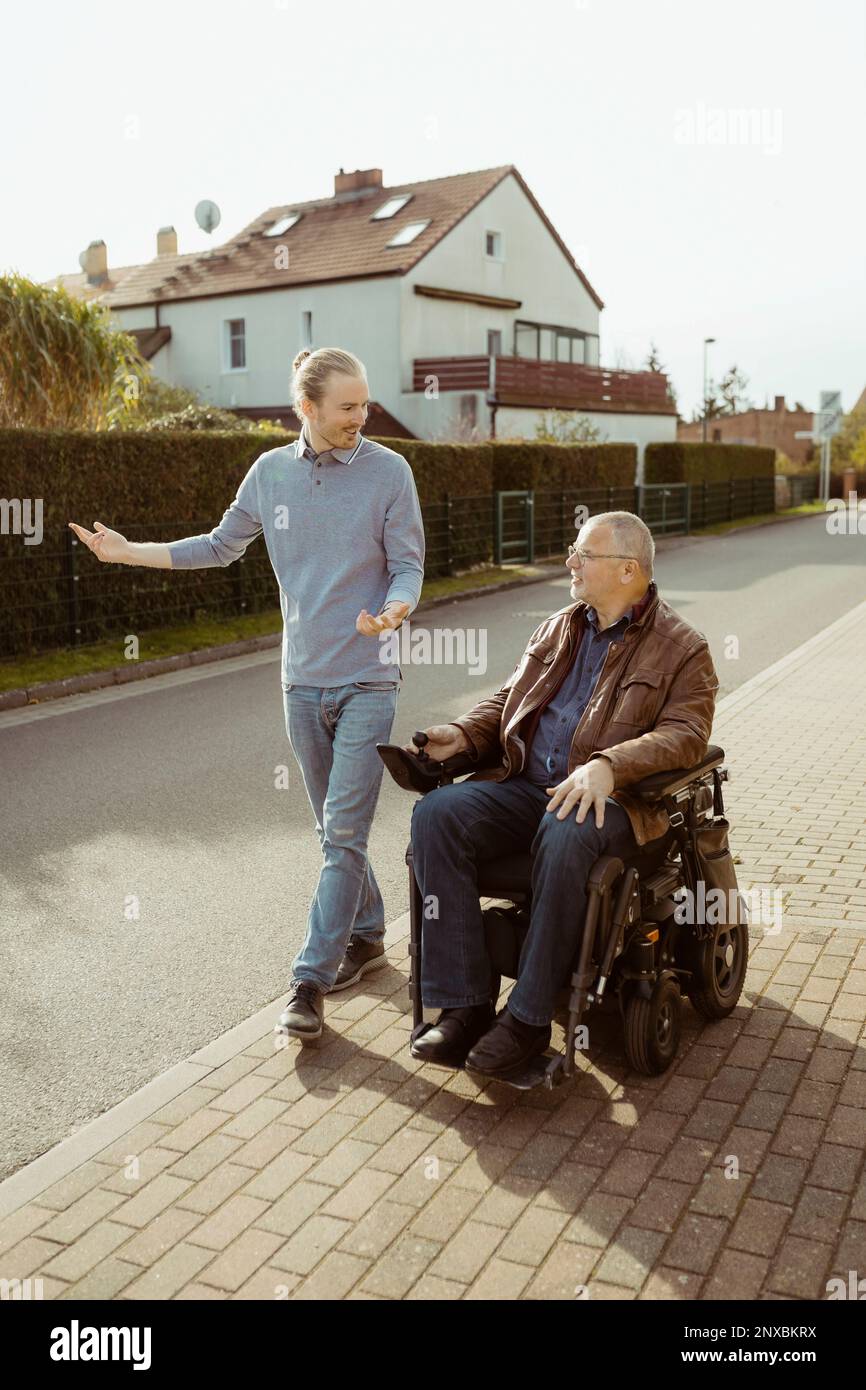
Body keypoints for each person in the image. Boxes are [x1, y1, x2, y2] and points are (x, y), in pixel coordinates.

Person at [69, 346, 425, 1042]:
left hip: (368, 679)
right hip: (301, 682)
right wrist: (129, 550)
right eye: (348, 406)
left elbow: (408, 563)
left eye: (365, 404)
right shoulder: (270, 473)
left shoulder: (389, 471)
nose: (363, 416)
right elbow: (218, 545)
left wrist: (395, 609)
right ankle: (370, 933)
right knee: (335, 834)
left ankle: (308, 982)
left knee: (342, 835)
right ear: (309, 409)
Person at [404, 510, 719, 1079]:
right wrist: (464, 734)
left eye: (583, 554)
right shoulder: (559, 626)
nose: (569, 562)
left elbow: (687, 734)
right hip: (525, 787)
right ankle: (465, 1005)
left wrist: (608, 766)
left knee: (569, 825)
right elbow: (510, 700)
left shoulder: (682, 647)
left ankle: (526, 1021)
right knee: (436, 814)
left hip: (616, 807)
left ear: (628, 570)